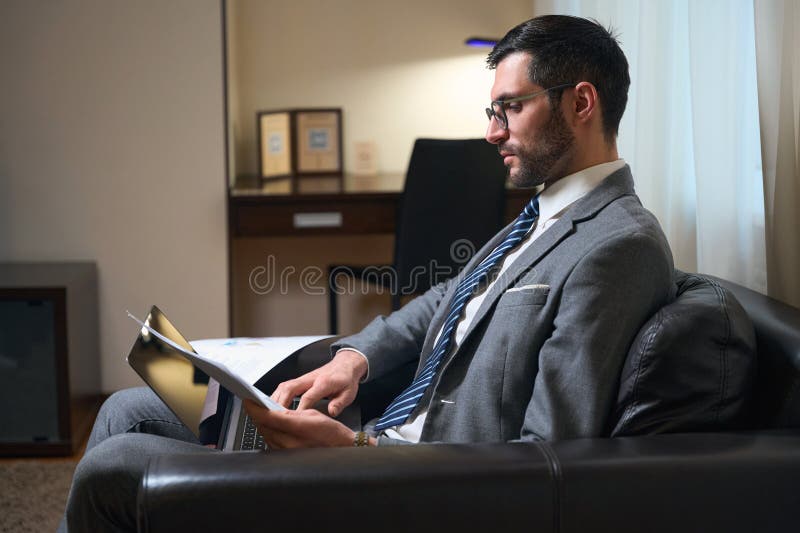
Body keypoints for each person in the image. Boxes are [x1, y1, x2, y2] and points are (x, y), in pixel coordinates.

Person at [60, 14, 674, 532]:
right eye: (494, 109)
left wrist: (352, 452)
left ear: (582, 102)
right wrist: (352, 359)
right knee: (124, 409)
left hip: (402, 481)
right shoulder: (545, 208)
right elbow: (447, 298)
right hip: (373, 433)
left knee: (112, 465)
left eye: (510, 107)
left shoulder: (616, 245)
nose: (492, 131)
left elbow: (546, 457)